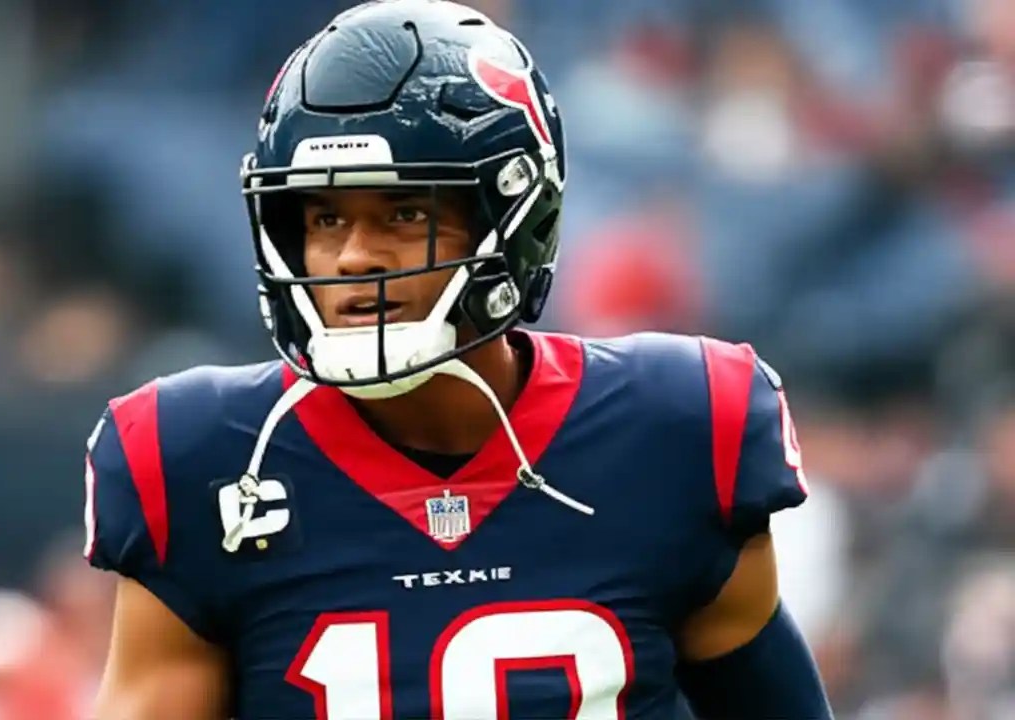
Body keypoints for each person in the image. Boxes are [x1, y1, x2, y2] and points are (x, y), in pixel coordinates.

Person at [82, 1, 832, 717]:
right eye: (325, 216)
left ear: (514, 217)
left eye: (405, 215)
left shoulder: (676, 427)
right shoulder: (198, 457)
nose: (353, 257)